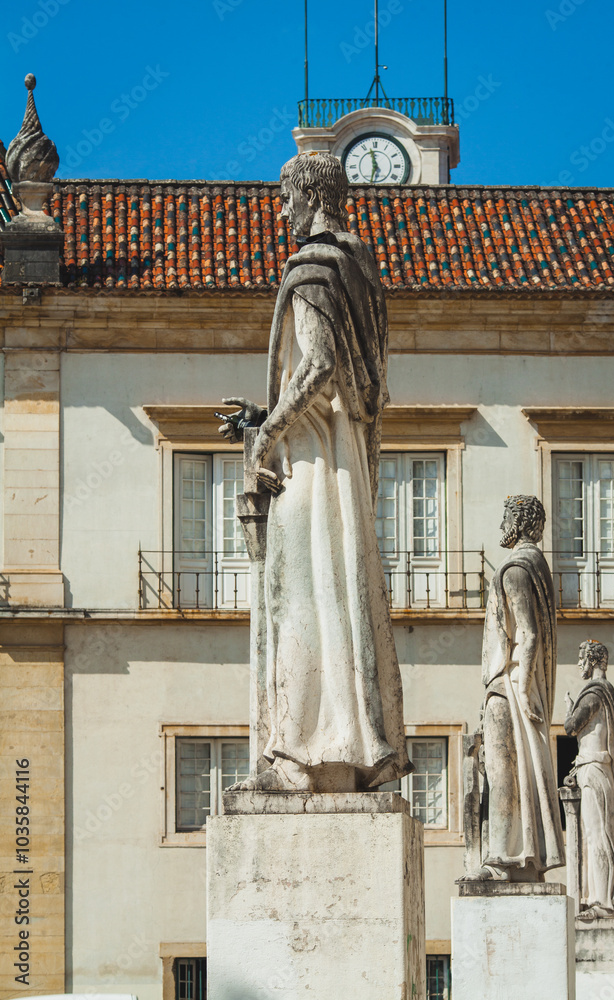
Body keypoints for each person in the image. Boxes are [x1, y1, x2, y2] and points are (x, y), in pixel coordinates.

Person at [220, 151, 412, 793]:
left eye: (285, 196)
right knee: (342, 593)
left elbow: (318, 365)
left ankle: (298, 754)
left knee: (299, 593)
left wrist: (266, 435)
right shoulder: (363, 269)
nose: (281, 210)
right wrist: (265, 414)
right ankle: (348, 750)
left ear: (311, 196)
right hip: (345, 461)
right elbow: (351, 381)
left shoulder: (312, 269)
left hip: (309, 462)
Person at [469, 495, 565, 881]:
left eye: (506, 517)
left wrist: (520, 688)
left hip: (507, 682)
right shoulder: (539, 567)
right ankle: (524, 859)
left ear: (521, 522)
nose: (500, 527)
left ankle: (501, 858)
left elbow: (527, 633)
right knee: (517, 765)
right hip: (517, 682)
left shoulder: (514, 570)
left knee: (502, 766)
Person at [564, 640, 614, 919]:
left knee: (596, 836)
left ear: (592, 660)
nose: (579, 664)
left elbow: (571, 727)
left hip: (593, 768)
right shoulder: (609, 695)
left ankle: (603, 903)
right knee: (596, 834)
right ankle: (597, 898)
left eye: (581, 658)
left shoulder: (594, 694)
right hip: (596, 769)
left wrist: (568, 708)